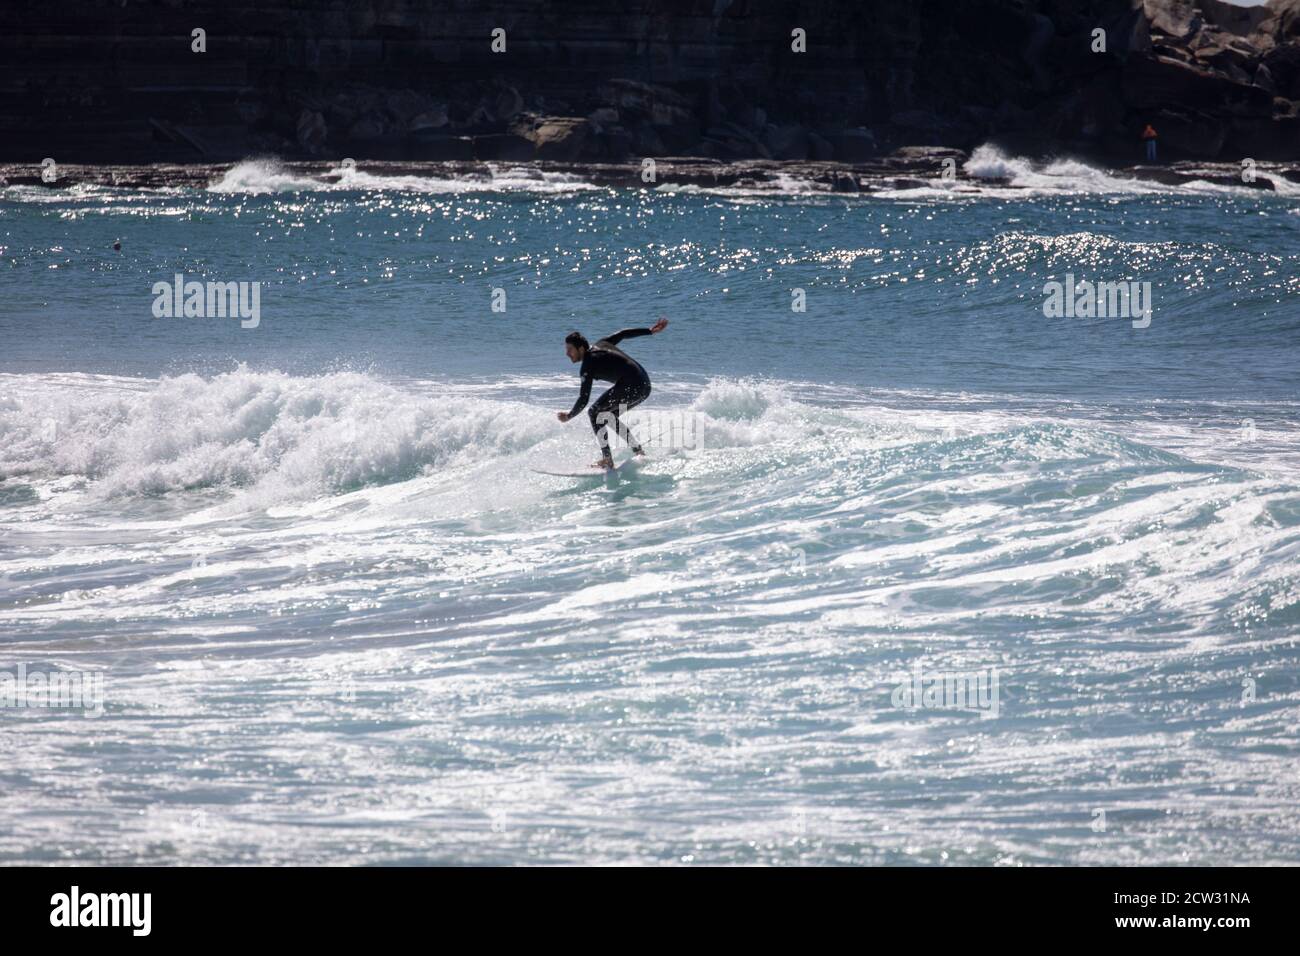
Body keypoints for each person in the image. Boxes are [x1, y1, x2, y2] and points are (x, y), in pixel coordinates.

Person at [558, 317, 669, 469]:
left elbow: (584, 399)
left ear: (581, 349)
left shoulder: (588, 365)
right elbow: (623, 333)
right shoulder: (601, 343)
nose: (567, 353)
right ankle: (638, 451)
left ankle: (607, 459)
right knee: (608, 416)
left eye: (569, 350)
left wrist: (569, 416)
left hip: (632, 386)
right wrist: (649, 330)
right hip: (645, 386)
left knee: (594, 412)